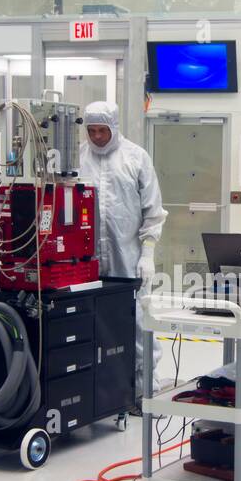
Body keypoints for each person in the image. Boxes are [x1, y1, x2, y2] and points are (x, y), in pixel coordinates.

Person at [80, 101, 168, 380]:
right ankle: (103, 387)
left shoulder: (135, 157)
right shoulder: (78, 158)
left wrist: (148, 254)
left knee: (136, 322)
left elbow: (153, 212)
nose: (96, 137)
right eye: (91, 131)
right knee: (90, 321)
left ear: (114, 128)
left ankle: (144, 385)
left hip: (128, 257)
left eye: (102, 130)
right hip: (87, 258)